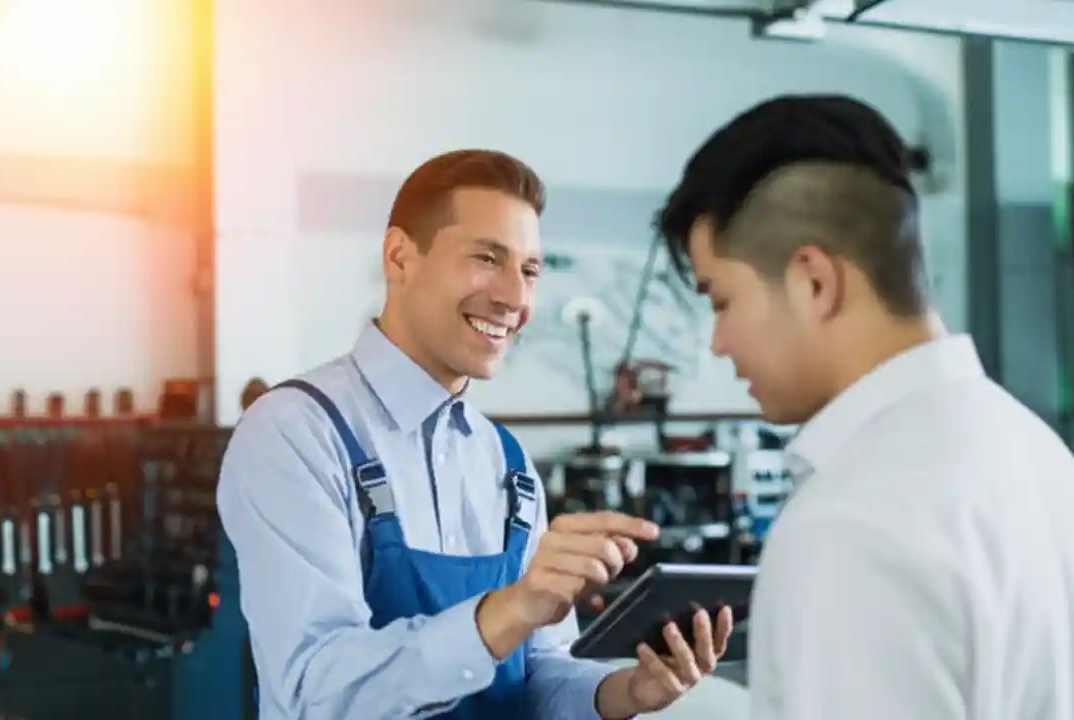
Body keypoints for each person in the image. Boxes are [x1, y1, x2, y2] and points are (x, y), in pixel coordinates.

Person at [217, 148, 733, 719]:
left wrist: (624, 692)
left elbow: (538, 671)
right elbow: (318, 694)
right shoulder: (296, 433)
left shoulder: (507, 464)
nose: (515, 298)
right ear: (399, 257)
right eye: (488, 258)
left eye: (530, 271)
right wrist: (512, 609)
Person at [655, 94, 1074, 719]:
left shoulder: (852, 522)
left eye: (722, 301)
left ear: (813, 281)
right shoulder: (1037, 453)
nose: (719, 341)